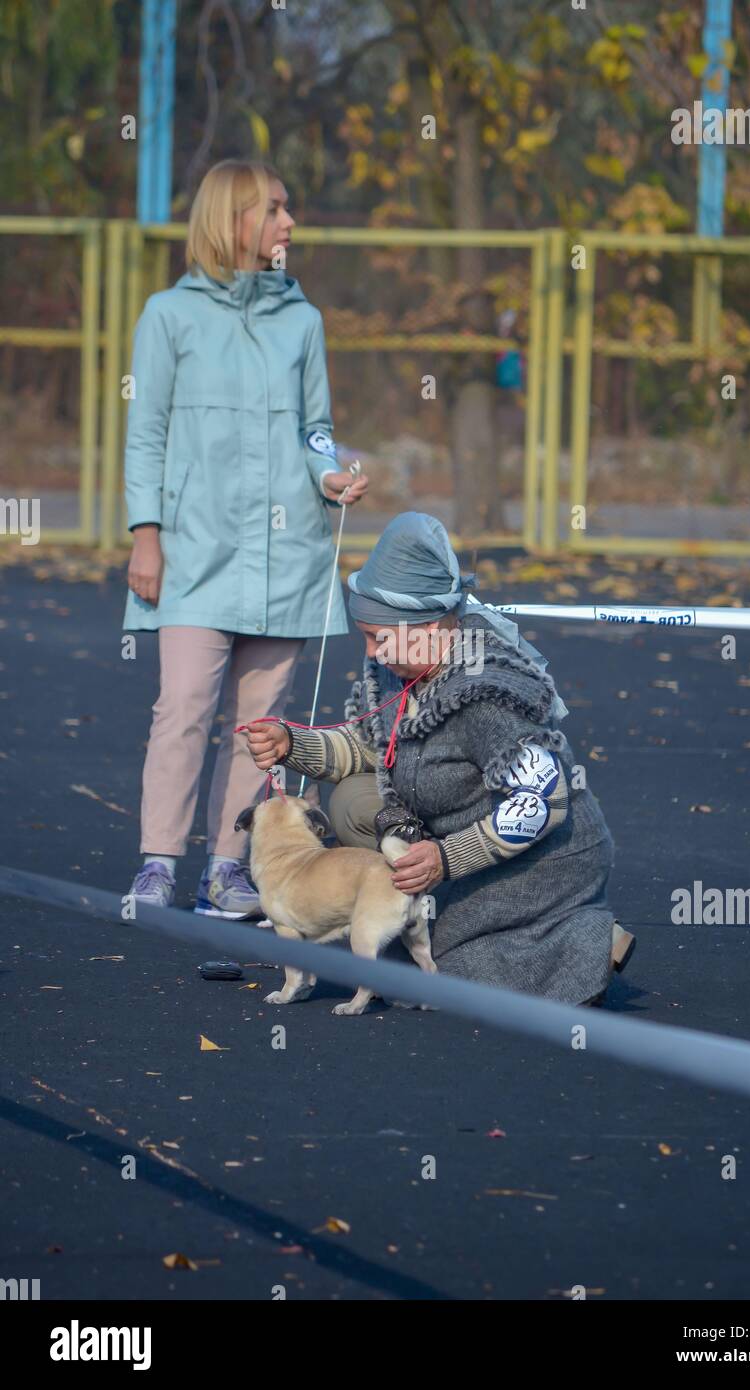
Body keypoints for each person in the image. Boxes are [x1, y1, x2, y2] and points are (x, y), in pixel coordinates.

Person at [244, 511, 628, 1006]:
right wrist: (291, 744)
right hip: (448, 840)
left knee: (439, 973)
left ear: (427, 627)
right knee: (351, 805)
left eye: (377, 637)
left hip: (542, 861)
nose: (372, 652)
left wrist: (446, 859)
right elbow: (367, 745)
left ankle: (583, 937)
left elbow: (542, 801)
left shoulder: (487, 692)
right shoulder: (397, 667)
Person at [122, 158, 368, 917]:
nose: (288, 222)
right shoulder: (168, 315)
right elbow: (146, 434)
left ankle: (227, 869)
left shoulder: (303, 319)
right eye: (274, 208)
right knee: (183, 708)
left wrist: (330, 477)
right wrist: (145, 535)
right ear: (232, 220)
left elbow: (315, 431)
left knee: (265, 729)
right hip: (194, 552)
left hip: (287, 553)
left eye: (286, 208)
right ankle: (158, 864)